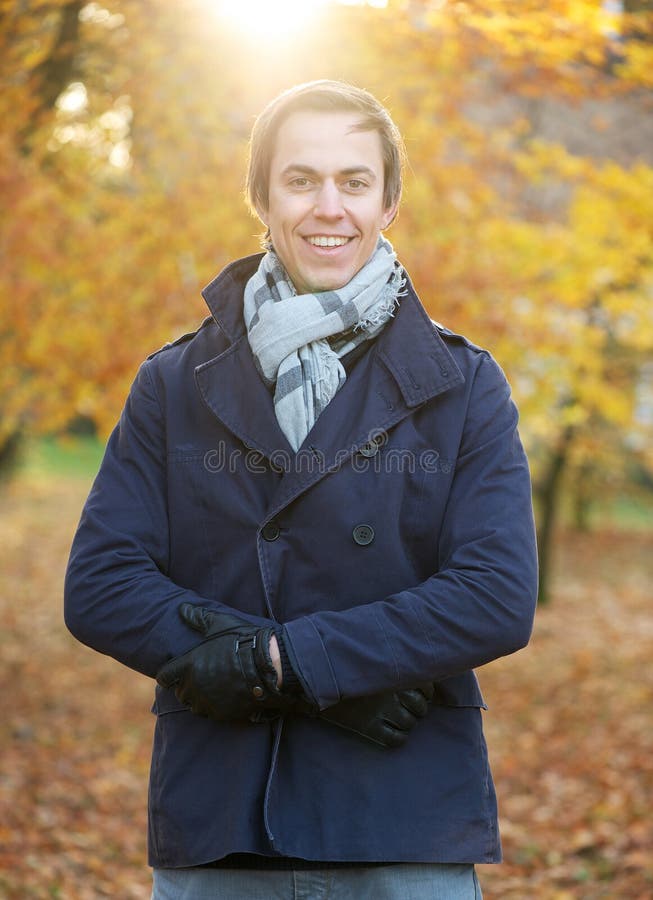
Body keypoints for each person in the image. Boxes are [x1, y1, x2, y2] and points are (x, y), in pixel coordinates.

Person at [64, 80, 538, 900]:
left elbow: (494, 596)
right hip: (222, 815)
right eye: (301, 180)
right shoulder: (173, 381)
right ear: (261, 197)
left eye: (354, 182)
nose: (329, 207)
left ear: (388, 202)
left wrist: (278, 662)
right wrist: (322, 684)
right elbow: (102, 584)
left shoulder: (464, 384)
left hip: (399, 813)